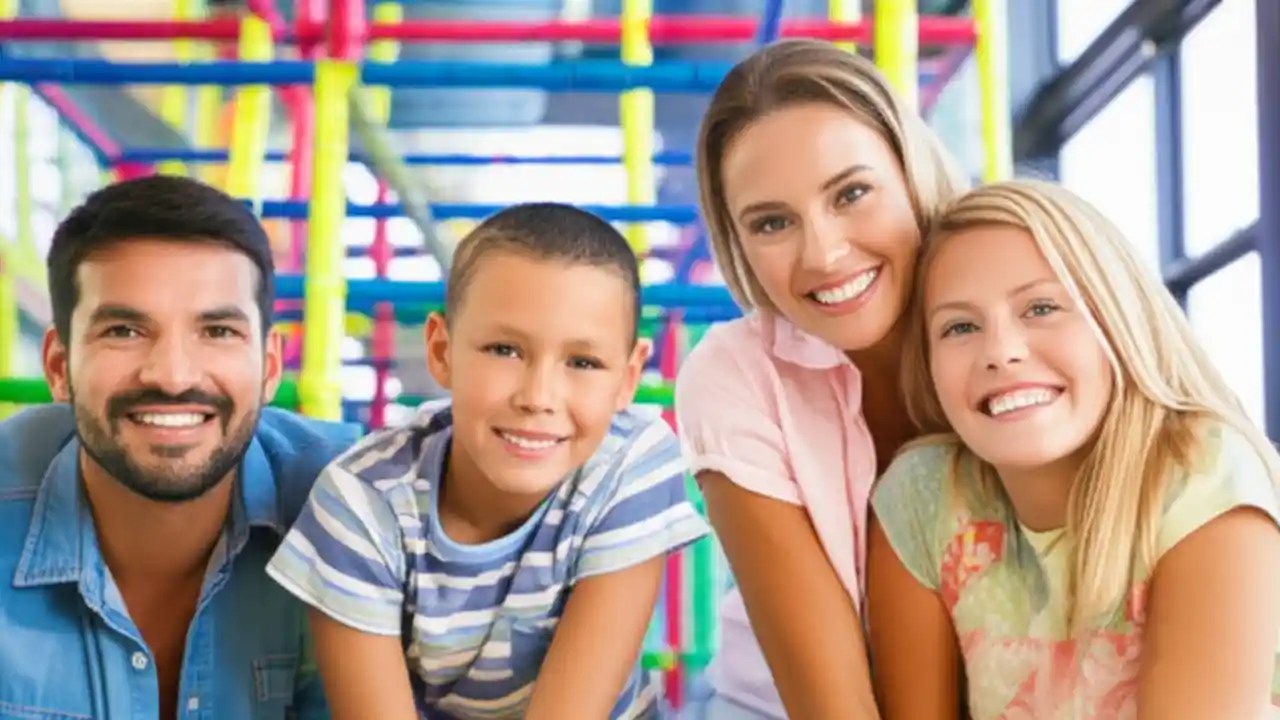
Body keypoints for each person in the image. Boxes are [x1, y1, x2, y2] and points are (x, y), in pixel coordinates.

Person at [266, 202, 711, 719]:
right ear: (442, 350)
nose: (538, 396)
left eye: (583, 362)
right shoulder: (360, 503)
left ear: (629, 377)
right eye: (504, 350)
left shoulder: (631, 465)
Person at [867, 179, 1280, 719]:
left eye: (1040, 308)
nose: (1002, 352)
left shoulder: (1203, 476)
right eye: (960, 326)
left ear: (1115, 319)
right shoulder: (924, 496)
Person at [673, 39, 969, 718]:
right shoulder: (735, 374)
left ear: (910, 172)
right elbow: (831, 709)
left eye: (852, 193)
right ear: (736, 240)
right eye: (772, 222)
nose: (824, 253)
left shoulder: (1014, 327)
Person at [0, 175, 360, 719]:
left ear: (268, 367)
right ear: (58, 366)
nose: (171, 376)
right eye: (124, 330)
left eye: (216, 332)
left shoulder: (361, 508)